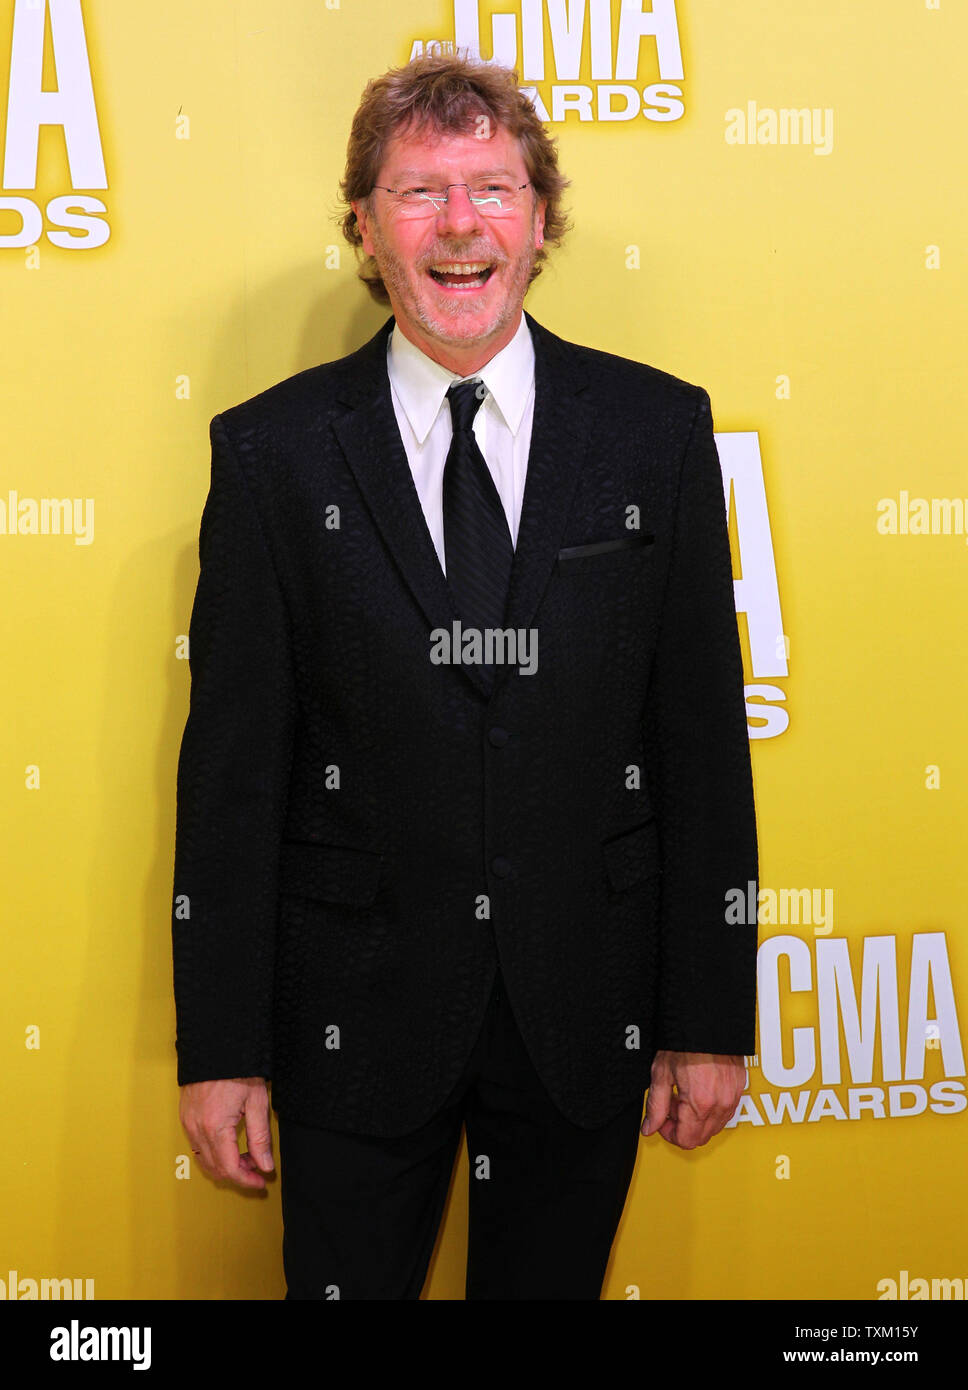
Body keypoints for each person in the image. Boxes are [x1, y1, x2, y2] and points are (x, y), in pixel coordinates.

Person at [172, 51, 759, 1301]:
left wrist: (709, 1014)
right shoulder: (271, 453)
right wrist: (222, 1048)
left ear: (541, 220)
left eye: (490, 188)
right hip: (348, 1018)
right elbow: (232, 778)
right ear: (364, 226)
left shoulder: (655, 431)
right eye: (417, 191)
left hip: (582, 1008)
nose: (456, 227)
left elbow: (702, 735)